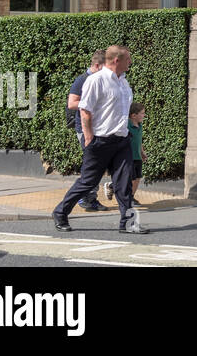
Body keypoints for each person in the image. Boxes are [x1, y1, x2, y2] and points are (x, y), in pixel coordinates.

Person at [53, 46, 147, 235]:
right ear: (116, 61)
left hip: (122, 141)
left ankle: (128, 224)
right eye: (127, 59)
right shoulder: (96, 81)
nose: (130, 62)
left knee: (124, 184)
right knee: (87, 182)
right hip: (100, 141)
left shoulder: (124, 83)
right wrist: (89, 138)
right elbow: (85, 110)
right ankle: (60, 213)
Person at [67, 50, 108, 212]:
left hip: (99, 128)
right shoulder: (82, 80)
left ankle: (88, 197)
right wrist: (91, 102)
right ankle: (86, 198)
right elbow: (72, 103)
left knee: (97, 164)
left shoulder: (101, 80)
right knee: (94, 164)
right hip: (84, 129)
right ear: (97, 65)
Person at [106, 101, 146, 207]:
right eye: (142, 113)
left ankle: (123, 192)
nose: (144, 115)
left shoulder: (140, 125)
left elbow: (139, 140)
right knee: (129, 179)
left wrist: (142, 152)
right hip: (127, 157)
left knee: (137, 178)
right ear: (133, 115)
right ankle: (127, 197)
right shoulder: (126, 124)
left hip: (137, 156)